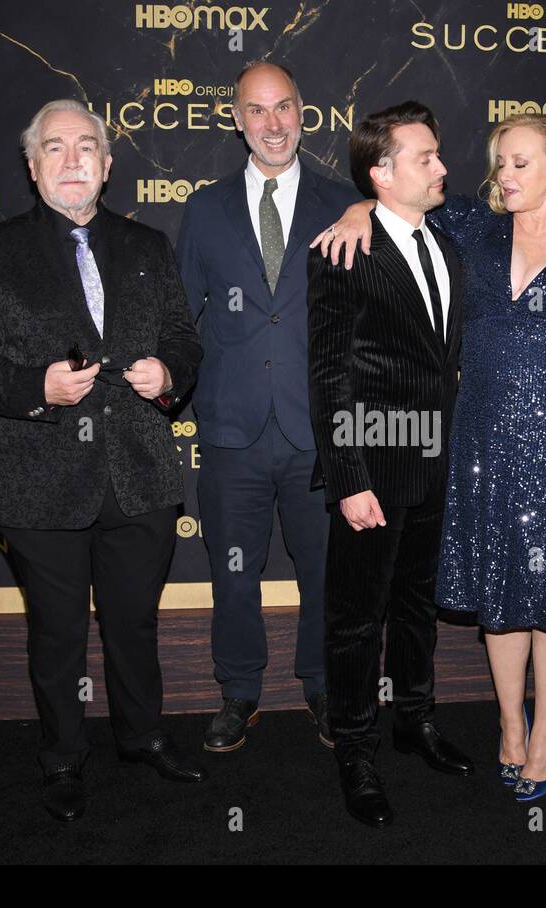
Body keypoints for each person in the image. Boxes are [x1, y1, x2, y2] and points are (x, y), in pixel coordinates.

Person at [315, 112, 546, 802]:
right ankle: (508, 721)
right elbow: (397, 202)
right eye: (500, 163)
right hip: (481, 448)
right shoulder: (474, 229)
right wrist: (356, 207)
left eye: (522, 163)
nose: (505, 175)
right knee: (500, 592)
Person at [0, 99, 205, 822]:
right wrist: (39, 387)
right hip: (41, 483)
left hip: (141, 476)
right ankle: (62, 756)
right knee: (57, 634)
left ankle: (144, 735)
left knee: (133, 624)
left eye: (85, 147)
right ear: (32, 168)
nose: (71, 160)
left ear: (108, 164)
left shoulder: (149, 244)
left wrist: (170, 374)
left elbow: (185, 337)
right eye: (54, 148)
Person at [176, 61, 363, 753]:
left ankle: (322, 686)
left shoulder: (344, 202)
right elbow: (178, 319)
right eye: (257, 111)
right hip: (231, 431)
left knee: (325, 575)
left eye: (283, 107)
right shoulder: (204, 209)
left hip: (321, 435)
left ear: (303, 111)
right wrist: (165, 379)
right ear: (236, 120)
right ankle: (239, 692)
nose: (273, 123)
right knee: (232, 573)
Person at [307, 102, 475, 828]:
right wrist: (349, 478)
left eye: (438, 155)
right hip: (373, 469)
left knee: (416, 609)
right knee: (355, 620)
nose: (442, 168)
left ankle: (414, 719)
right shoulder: (343, 250)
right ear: (382, 173)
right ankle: (354, 749)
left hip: (438, 465)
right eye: (426, 158)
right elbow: (329, 373)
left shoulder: (451, 238)